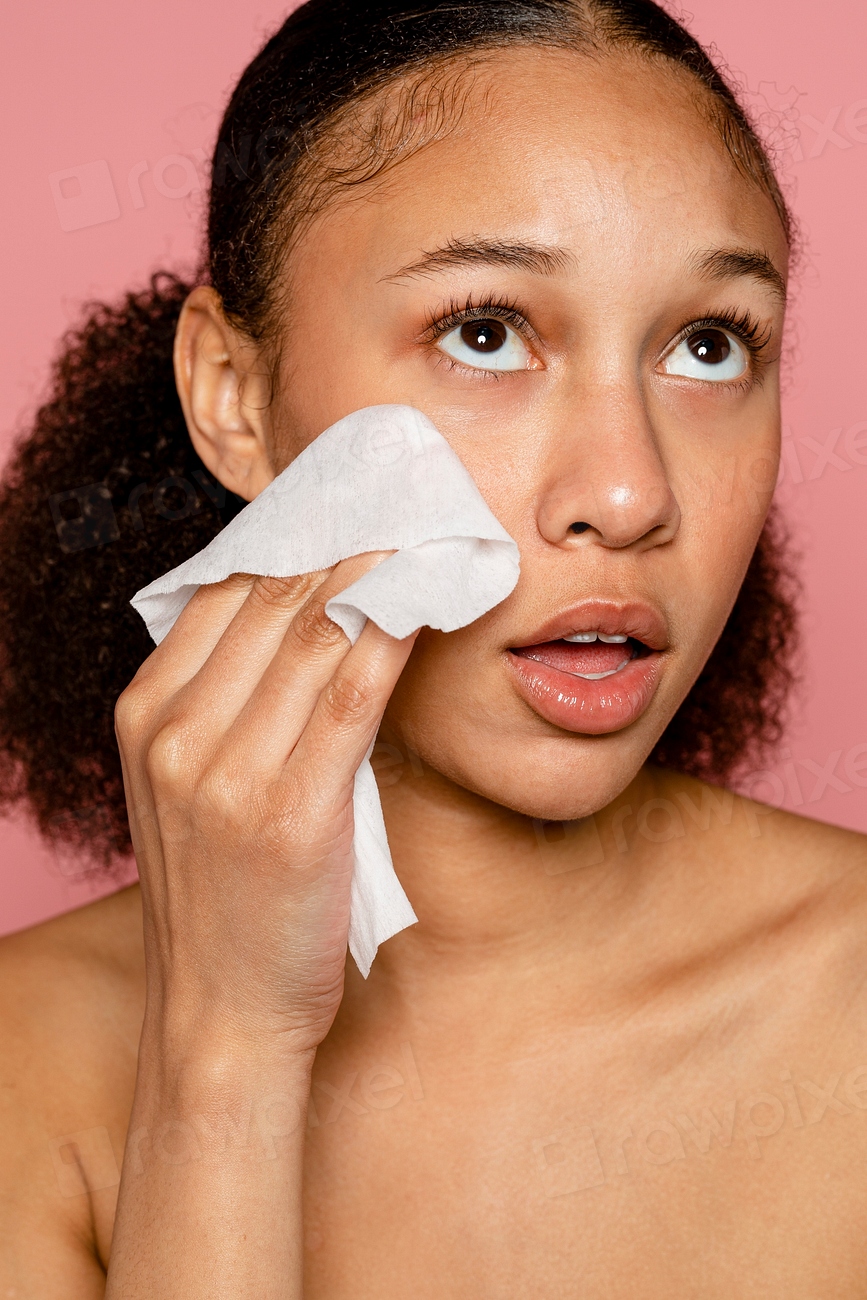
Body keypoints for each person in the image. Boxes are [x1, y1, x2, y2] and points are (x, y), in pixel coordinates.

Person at [1, 0, 866, 1292]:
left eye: (707, 344)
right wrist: (224, 1049)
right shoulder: (27, 1063)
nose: (630, 497)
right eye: (486, 331)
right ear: (236, 399)